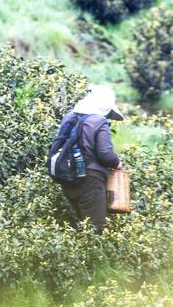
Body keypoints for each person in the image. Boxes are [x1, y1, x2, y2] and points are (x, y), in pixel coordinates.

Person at [51, 85, 124, 234]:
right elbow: (105, 153)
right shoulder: (99, 121)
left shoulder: (69, 117)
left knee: (82, 224)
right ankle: (90, 256)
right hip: (90, 181)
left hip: (67, 178)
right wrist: (117, 162)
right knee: (94, 230)